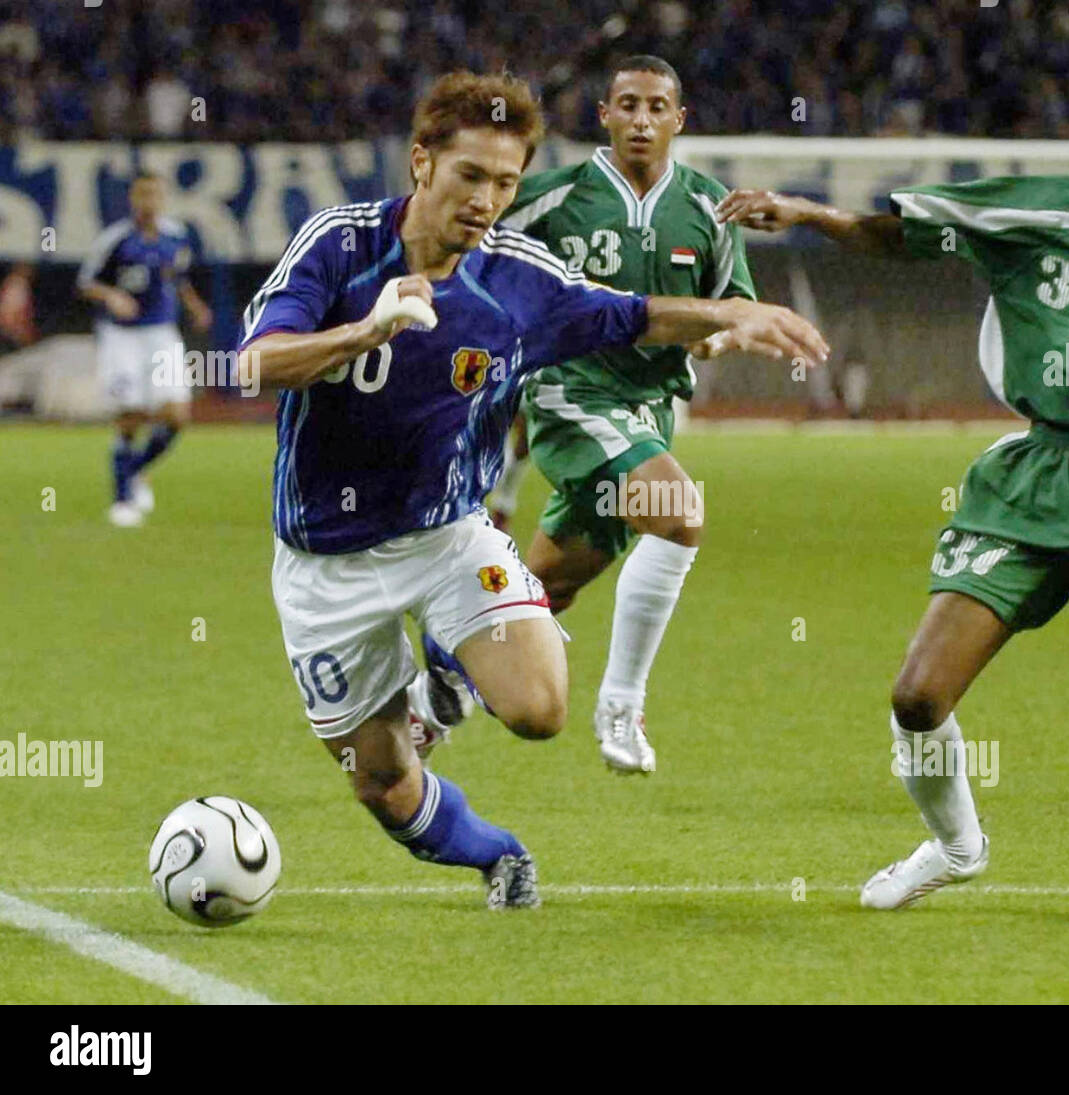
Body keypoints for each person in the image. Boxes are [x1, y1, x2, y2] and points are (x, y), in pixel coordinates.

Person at [719, 62, 1069, 922]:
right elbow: (907, 233)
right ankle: (955, 845)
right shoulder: (1050, 211)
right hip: (1039, 475)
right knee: (917, 696)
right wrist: (812, 215)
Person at [236, 71, 827, 908]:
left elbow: (631, 314)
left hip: (447, 537)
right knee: (382, 783)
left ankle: (445, 663)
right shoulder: (339, 244)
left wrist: (727, 315)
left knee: (540, 706)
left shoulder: (518, 279)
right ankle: (499, 854)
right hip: (324, 563)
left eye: (506, 182)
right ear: (421, 164)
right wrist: (366, 329)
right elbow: (254, 362)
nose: (487, 199)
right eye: (470, 175)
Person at [433, 55, 756, 776]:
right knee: (678, 514)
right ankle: (622, 701)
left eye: (656, 107)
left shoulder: (710, 209)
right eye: (628, 105)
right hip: (570, 395)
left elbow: (733, 306)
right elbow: (465, 249)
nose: (642, 119)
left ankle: (439, 664)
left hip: (650, 411)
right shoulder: (548, 199)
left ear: (680, 119)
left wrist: (721, 333)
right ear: (605, 116)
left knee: (550, 587)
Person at [78, 172, 212, 526]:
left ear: (163, 197)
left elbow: (176, 277)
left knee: (177, 416)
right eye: (142, 194)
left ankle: (133, 470)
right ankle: (122, 498)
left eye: (154, 194)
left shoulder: (175, 236)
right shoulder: (116, 239)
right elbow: (86, 282)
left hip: (162, 332)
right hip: (122, 336)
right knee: (131, 414)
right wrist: (113, 295)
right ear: (132, 198)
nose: (148, 201)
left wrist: (194, 306)